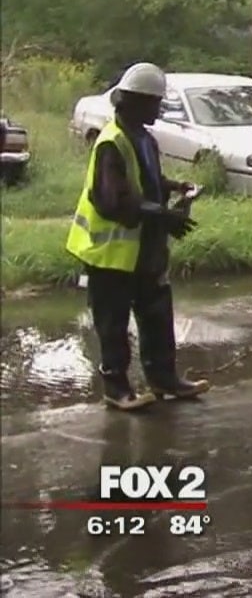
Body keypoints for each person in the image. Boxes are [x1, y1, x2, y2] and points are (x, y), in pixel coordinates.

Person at [65, 62, 210, 411]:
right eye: (154, 103)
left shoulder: (144, 138)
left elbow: (146, 182)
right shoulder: (111, 143)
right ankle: (116, 389)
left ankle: (164, 379)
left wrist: (176, 187)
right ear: (132, 102)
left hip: (145, 251)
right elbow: (113, 200)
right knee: (113, 325)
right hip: (110, 254)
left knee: (158, 315)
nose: (159, 109)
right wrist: (164, 215)